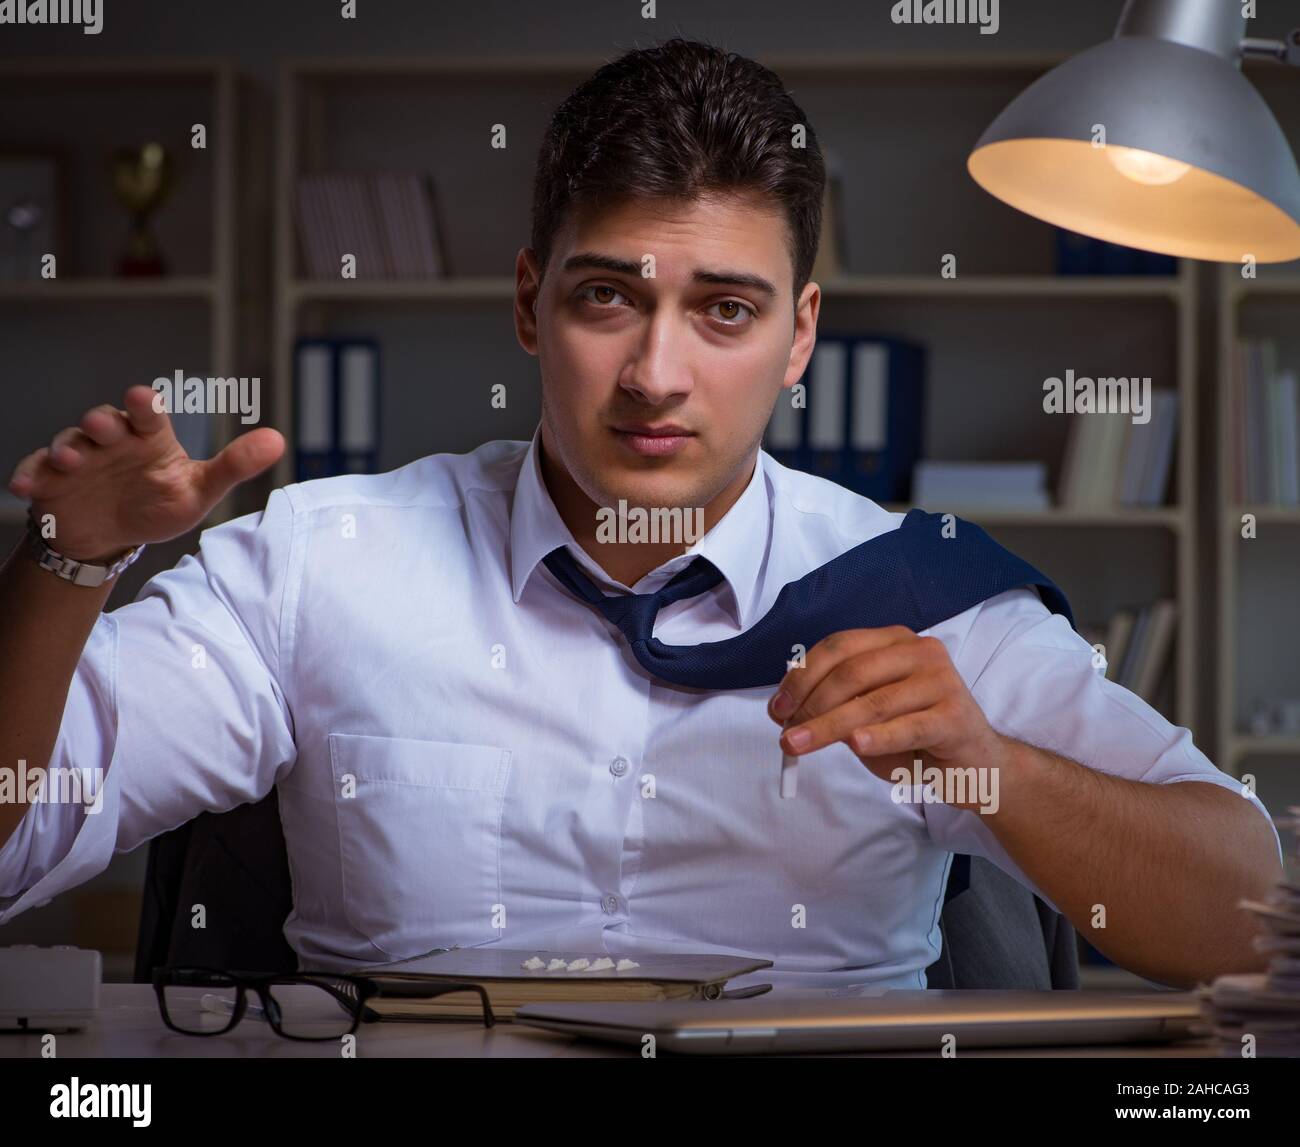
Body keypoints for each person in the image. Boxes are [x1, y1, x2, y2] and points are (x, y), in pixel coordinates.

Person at [0, 38, 1281, 995]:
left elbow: (1247, 917)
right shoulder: (313, 568)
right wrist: (68, 562)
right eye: (608, 297)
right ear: (526, 303)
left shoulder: (923, 597)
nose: (657, 374)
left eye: (725, 310)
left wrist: (997, 769)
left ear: (800, 337)